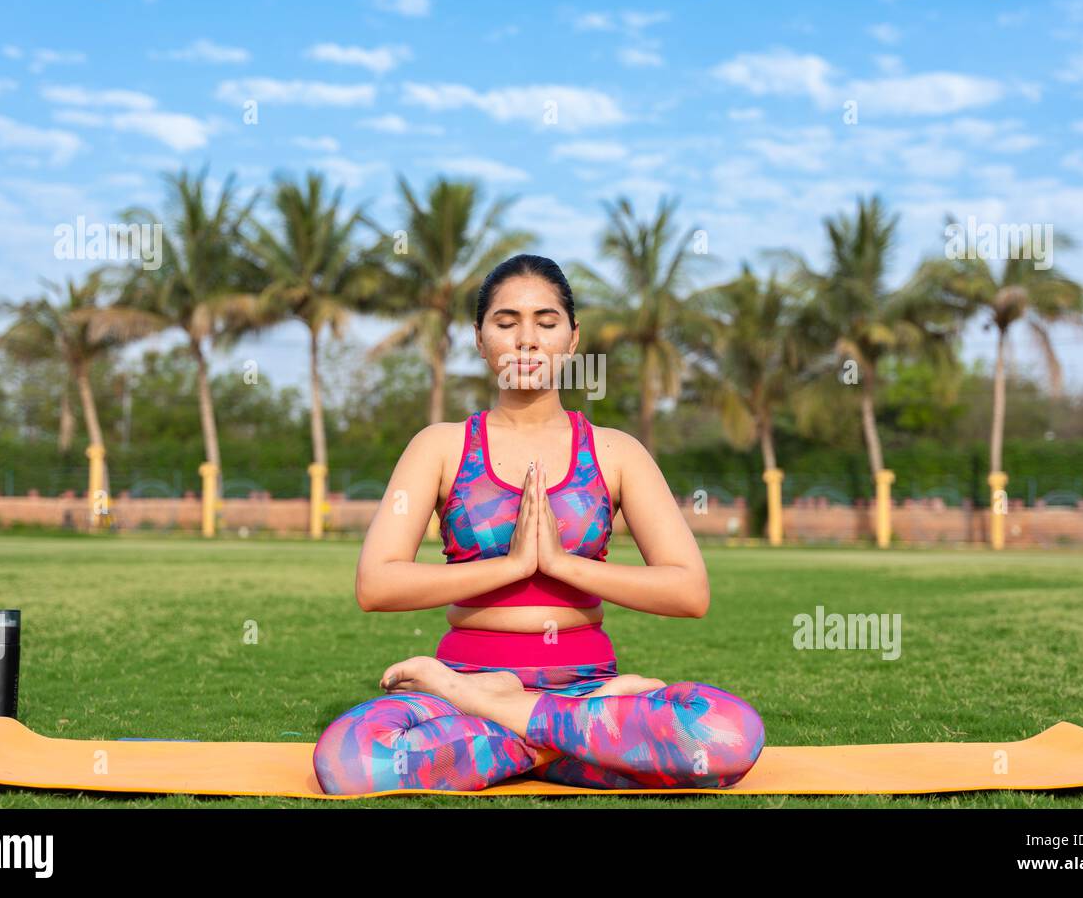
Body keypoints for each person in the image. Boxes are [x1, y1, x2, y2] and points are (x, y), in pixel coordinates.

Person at [313, 254, 765, 793]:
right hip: (486, 686)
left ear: (572, 339)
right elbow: (377, 584)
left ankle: (501, 718)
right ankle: (571, 744)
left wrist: (560, 564)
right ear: (480, 339)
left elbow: (688, 591)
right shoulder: (440, 446)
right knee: (350, 759)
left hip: (572, 687)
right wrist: (512, 566)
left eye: (546, 323)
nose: (526, 340)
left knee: (731, 731)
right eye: (506, 323)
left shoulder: (616, 452)